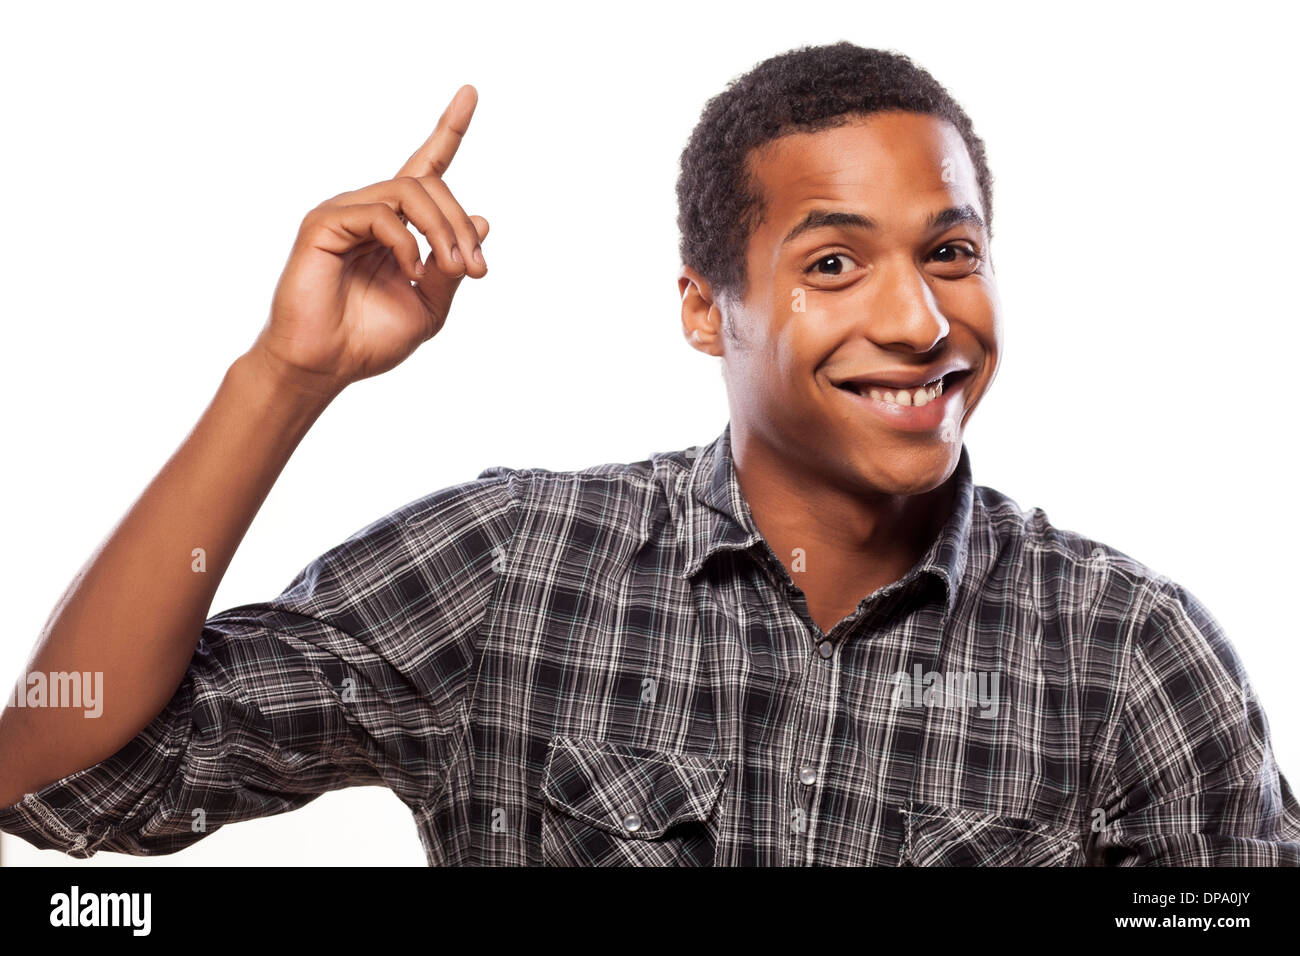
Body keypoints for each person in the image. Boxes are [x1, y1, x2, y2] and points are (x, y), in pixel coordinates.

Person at [0, 42, 1295, 866]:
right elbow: (61, 772)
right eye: (833, 264)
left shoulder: (1130, 654)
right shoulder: (509, 569)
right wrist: (285, 378)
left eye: (949, 253)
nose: (917, 321)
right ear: (702, 307)